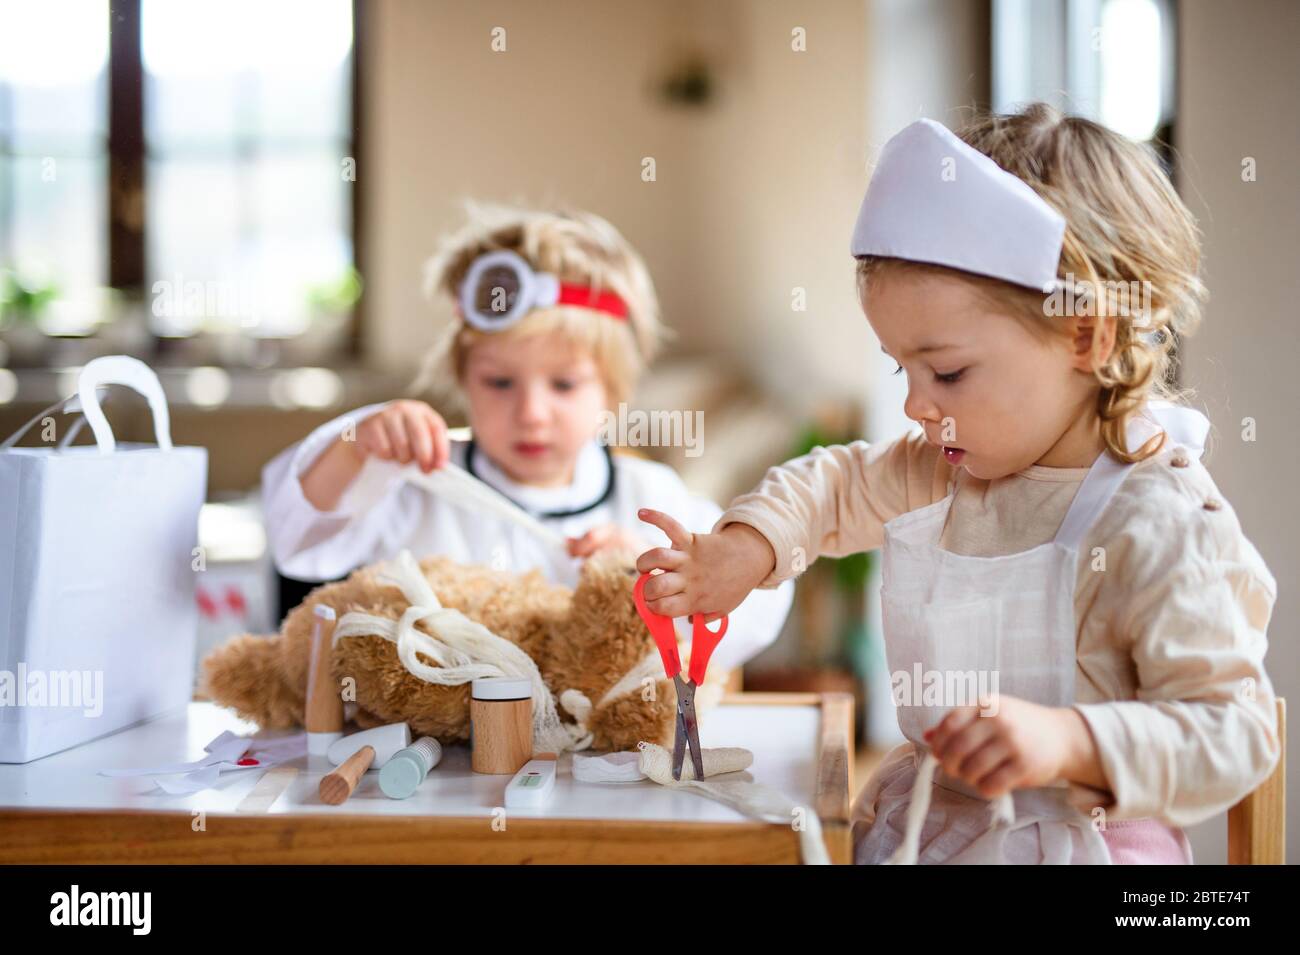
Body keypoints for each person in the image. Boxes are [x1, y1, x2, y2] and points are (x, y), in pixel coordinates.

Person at [635, 105, 1280, 863]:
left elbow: (1232, 734)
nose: (915, 403)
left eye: (946, 371)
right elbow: (833, 487)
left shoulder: (1161, 520)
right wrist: (746, 548)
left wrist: (1070, 739)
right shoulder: (946, 470)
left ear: (1086, 334)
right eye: (900, 368)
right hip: (935, 827)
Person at [262, 203, 793, 675]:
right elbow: (299, 541)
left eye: (564, 384)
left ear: (611, 391)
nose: (531, 413)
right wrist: (358, 444)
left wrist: (667, 579)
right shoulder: (417, 485)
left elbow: (758, 609)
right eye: (499, 383)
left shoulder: (648, 499)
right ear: (462, 380)